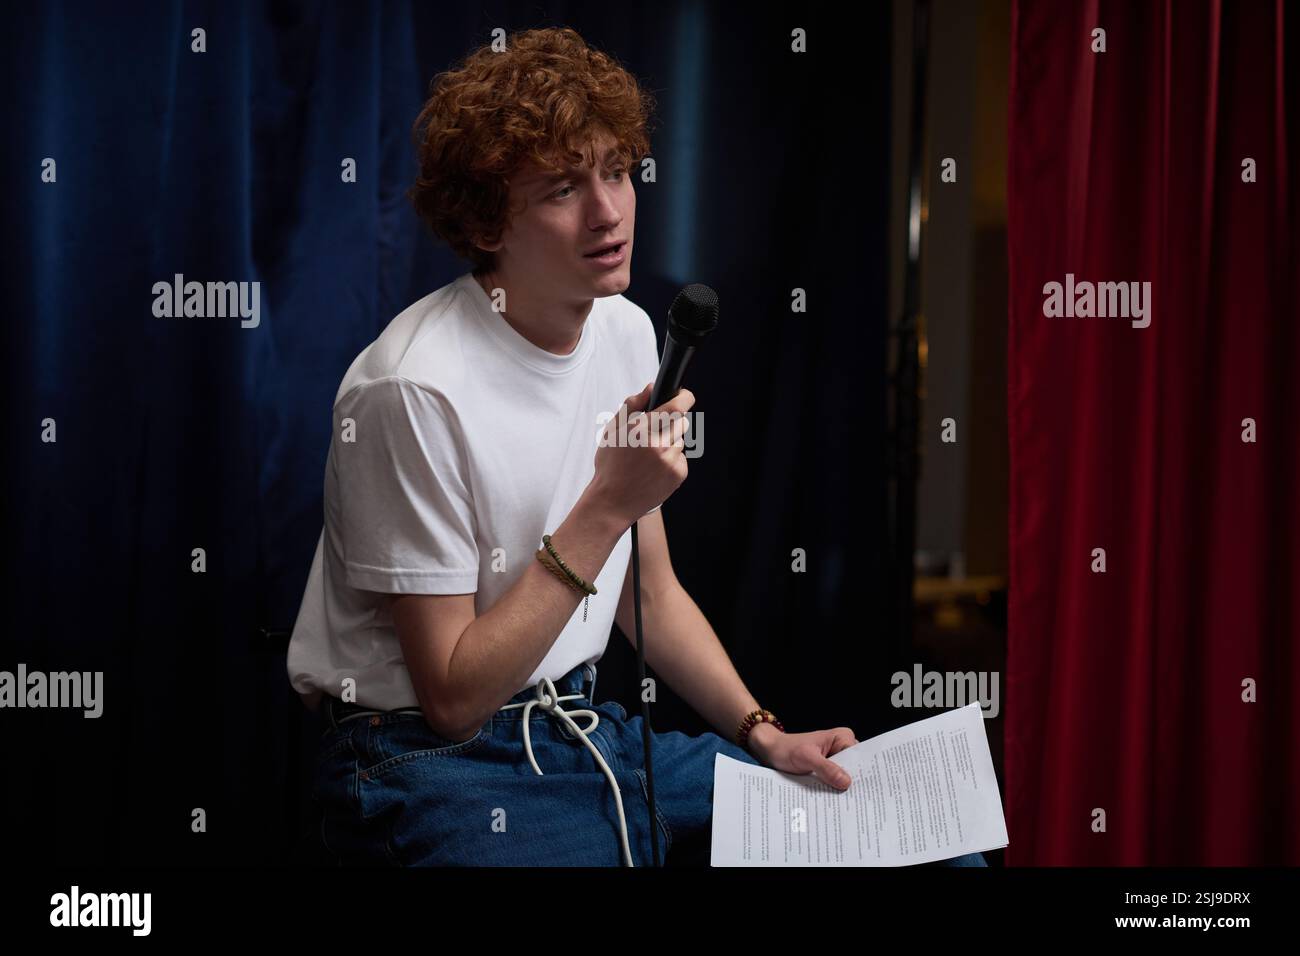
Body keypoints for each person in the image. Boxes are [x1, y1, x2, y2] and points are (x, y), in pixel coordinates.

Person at [286, 25, 985, 869]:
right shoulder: (409, 389)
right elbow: (454, 697)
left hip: (583, 729)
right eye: (561, 188)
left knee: (919, 851)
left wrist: (764, 734)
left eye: (616, 170)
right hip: (426, 763)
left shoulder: (622, 331)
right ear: (485, 220)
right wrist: (608, 504)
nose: (609, 211)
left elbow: (647, 587)